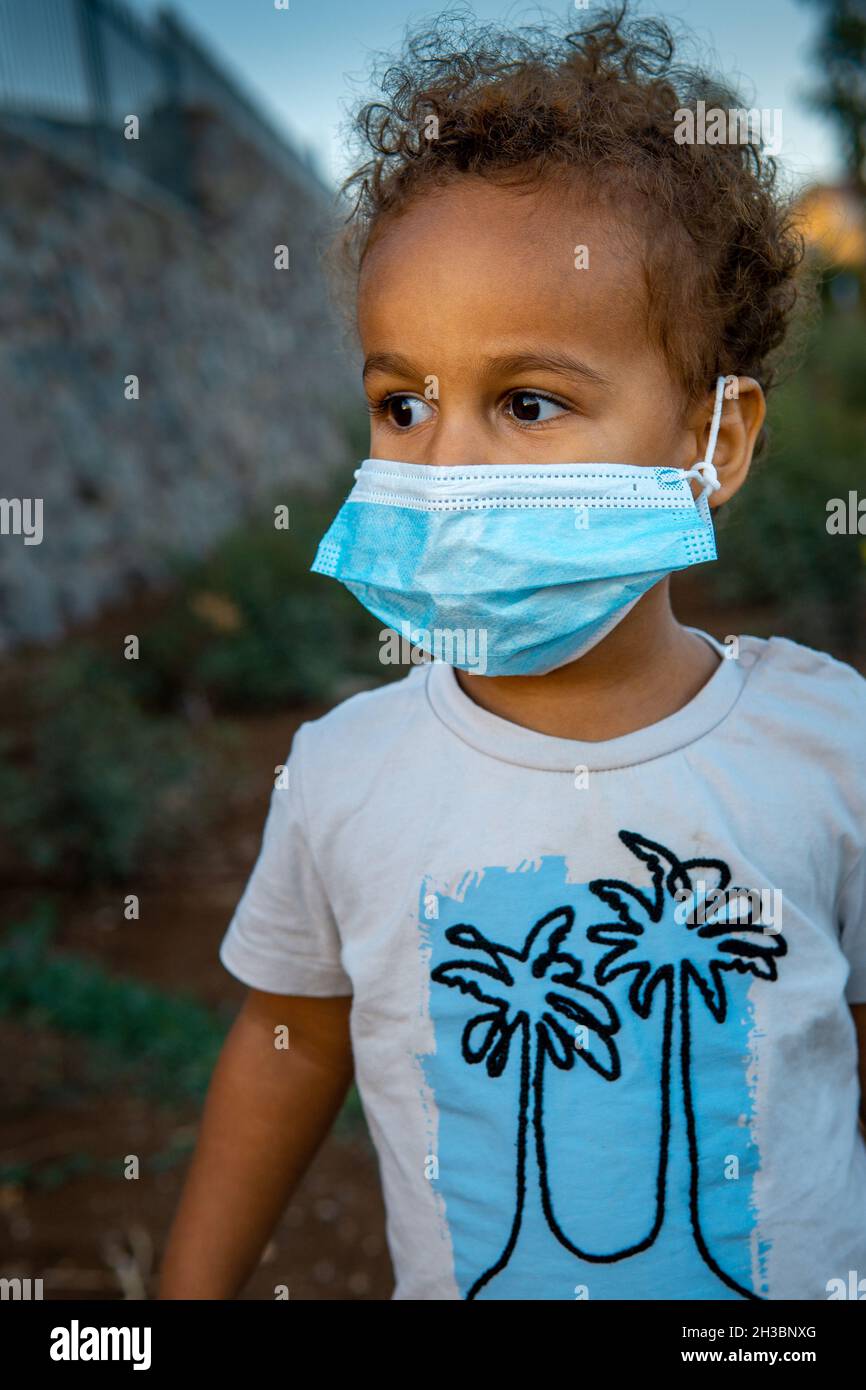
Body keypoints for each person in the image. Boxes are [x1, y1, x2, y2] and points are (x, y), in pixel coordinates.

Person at [158, 6, 866, 1300]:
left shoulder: (833, 748)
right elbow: (288, 1036)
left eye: (528, 402)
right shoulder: (341, 773)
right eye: (401, 403)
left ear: (715, 443)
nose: (444, 468)